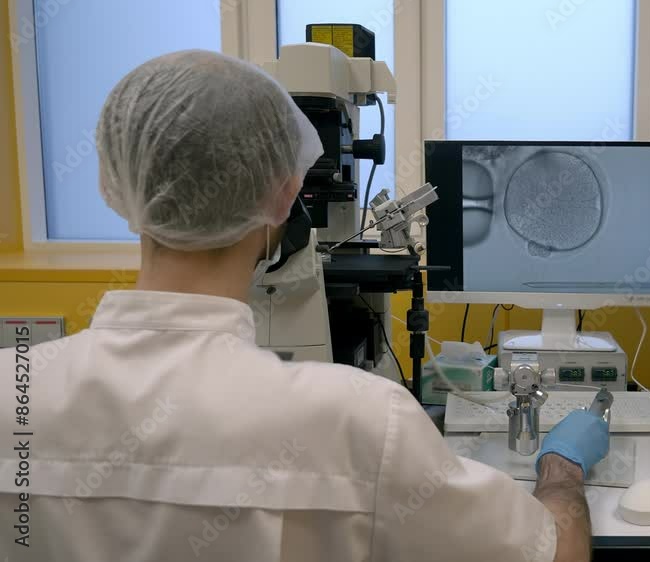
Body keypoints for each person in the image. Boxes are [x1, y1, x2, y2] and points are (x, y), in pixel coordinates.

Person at [0, 50, 609, 561]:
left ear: (114, 183)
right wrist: (561, 467)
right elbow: (554, 551)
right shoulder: (360, 424)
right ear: (288, 187)